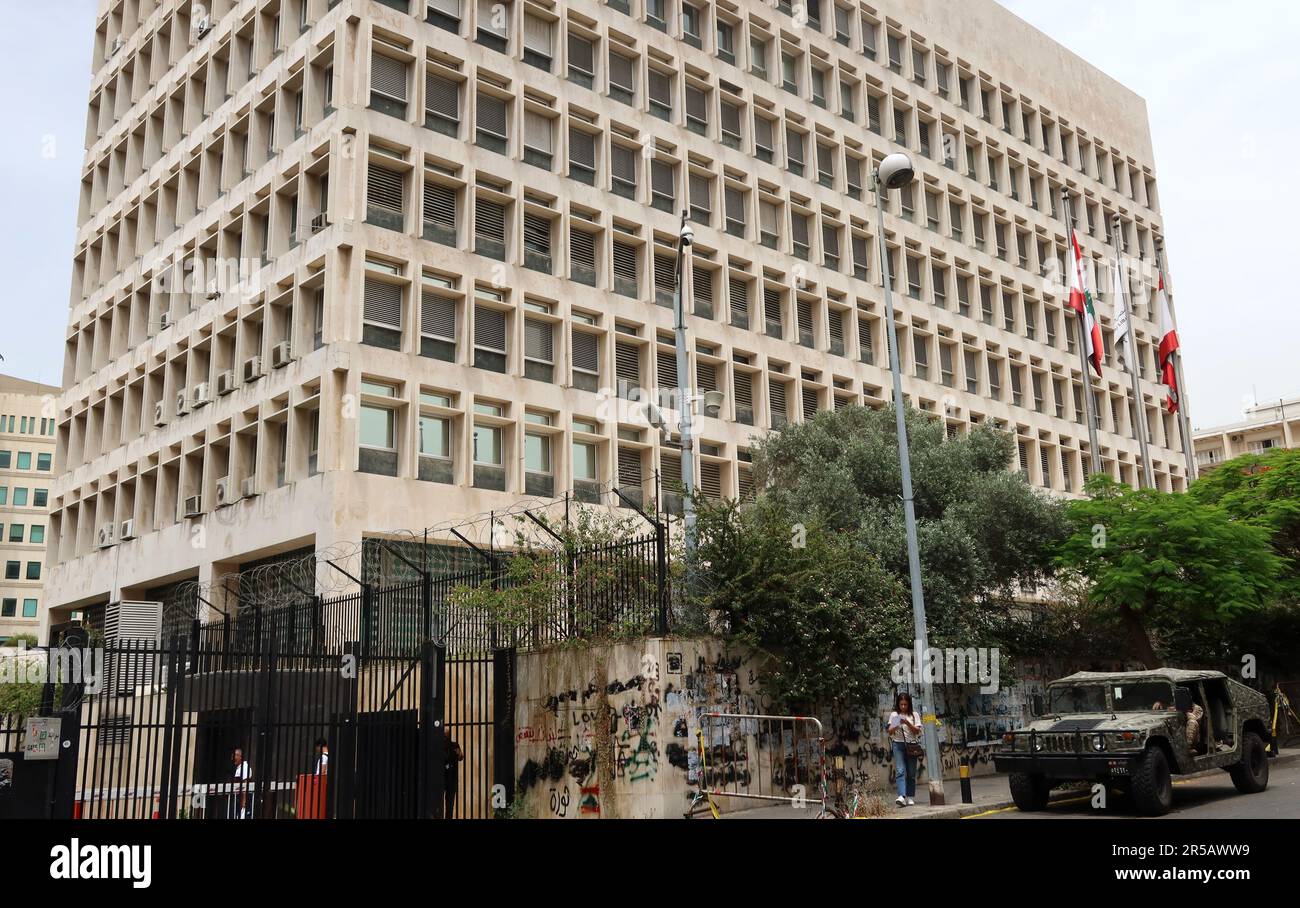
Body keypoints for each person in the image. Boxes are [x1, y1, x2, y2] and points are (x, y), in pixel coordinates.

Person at [887, 692, 924, 807]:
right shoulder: (894, 715)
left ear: (909, 704)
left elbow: (917, 731)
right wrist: (897, 723)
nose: (903, 707)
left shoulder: (914, 715)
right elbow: (889, 731)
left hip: (911, 746)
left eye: (905, 704)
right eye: (901, 704)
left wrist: (907, 722)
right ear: (898, 704)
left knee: (911, 773)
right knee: (900, 770)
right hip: (898, 745)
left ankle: (910, 796)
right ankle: (902, 796)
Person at [444, 728, 464, 818]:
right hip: (441, 778)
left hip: (452, 778)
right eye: (444, 735)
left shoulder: (455, 745)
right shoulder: (438, 746)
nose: (445, 737)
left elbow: (461, 757)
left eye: (446, 735)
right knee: (437, 803)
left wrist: (460, 753)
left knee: (450, 804)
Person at [230, 747, 252, 819]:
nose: (233, 757)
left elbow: (245, 785)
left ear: (241, 757)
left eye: (236, 755)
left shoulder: (245, 767)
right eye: (233, 755)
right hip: (239, 802)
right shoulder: (239, 768)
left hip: (244, 804)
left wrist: (243, 806)